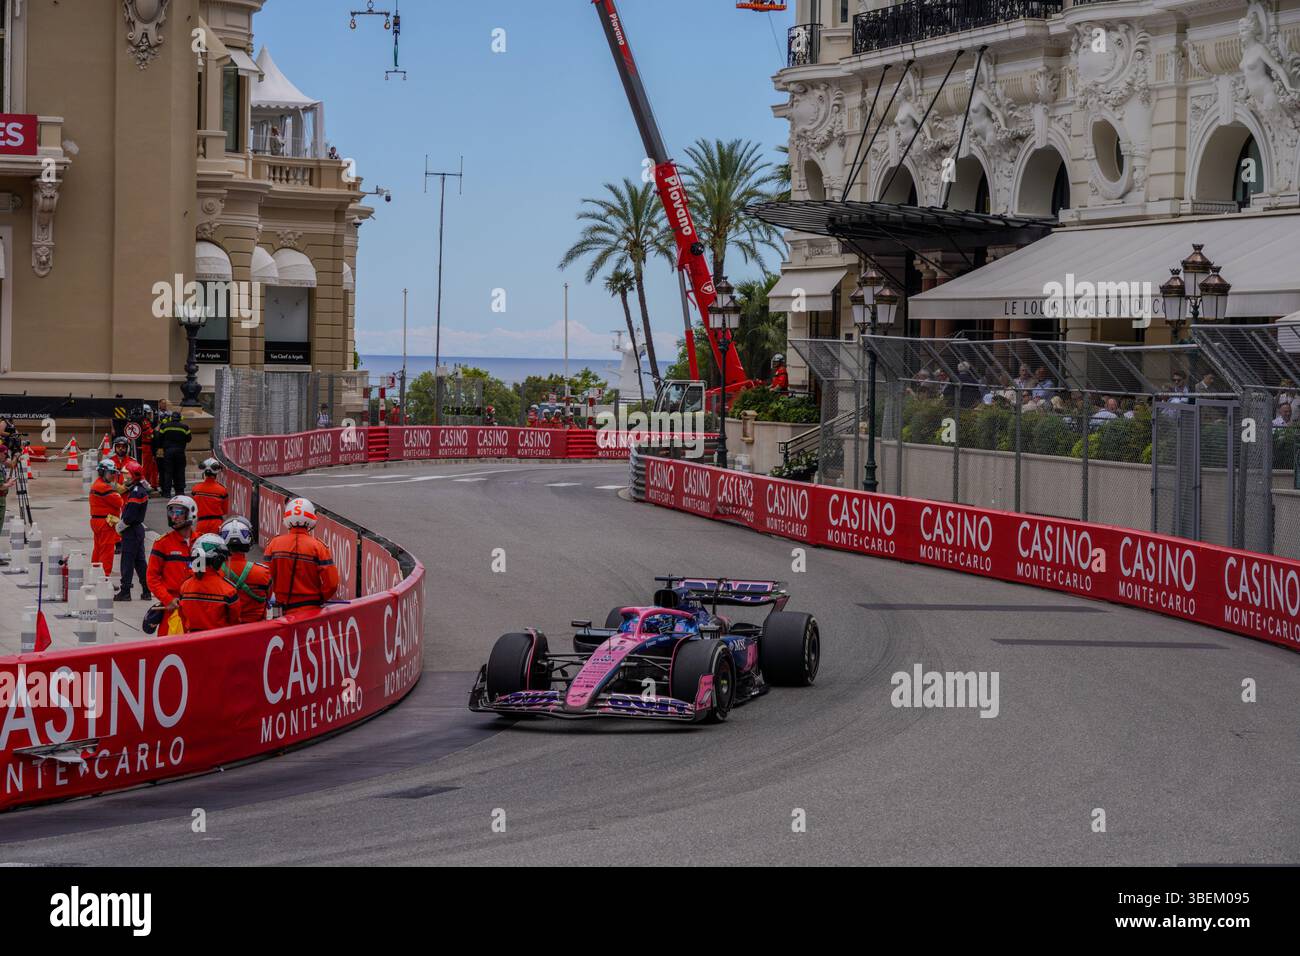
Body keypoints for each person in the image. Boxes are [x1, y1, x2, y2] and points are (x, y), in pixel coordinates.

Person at [264, 497, 340, 616]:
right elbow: (332, 584)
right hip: (310, 610)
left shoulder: (274, 544)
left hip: (281, 610)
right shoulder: (318, 547)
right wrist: (321, 598)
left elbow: (265, 579)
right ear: (311, 519)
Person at [148, 495, 197, 635]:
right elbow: (152, 578)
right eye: (172, 512)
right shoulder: (162, 544)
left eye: (179, 512)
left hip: (196, 607)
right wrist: (167, 599)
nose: (174, 517)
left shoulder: (202, 541)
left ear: (191, 512)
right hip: (172, 608)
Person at [177, 534, 240, 633]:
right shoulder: (229, 590)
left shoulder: (185, 586)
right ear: (217, 560)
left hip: (190, 641)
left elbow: (182, 616)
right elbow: (234, 623)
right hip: (219, 642)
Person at [219, 517, 272, 624]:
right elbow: (268, 597)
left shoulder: (216, 572)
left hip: (225, 632)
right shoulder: (263, 573)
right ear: (249, 540)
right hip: (257, 632)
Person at [115, 463, 151, 601]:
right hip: (137, 530)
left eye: (127, 474)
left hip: (131, 531)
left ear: (134, 475)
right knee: (140, 561)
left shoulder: (136, 492)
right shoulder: (139, 489)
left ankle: (125, 591)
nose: (124, 477)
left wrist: (119, 526)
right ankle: (146, 590)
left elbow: (130, 516)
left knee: (127, 561)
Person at [88, 459, 124, 577]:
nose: (113, 476)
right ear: (103, 472)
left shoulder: (97, 484)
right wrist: (118, 492)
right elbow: (119, 502)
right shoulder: (104, 487)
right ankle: (104, 578)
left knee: (98, 549)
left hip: (98, 521)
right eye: (110, 473)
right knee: (107, 551)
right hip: (105, 523)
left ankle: (95, 575)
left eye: (113, 473)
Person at [190, 457, 228, 536]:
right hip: (217, 524)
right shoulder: (222, 490)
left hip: (201, 524)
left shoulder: (195, 489)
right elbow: (225, 511)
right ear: (216, 472)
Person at [157, 411, 191, 496]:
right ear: (180, 418)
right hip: (180, 452)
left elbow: (159, 438)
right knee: (180, 471)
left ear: (171, 418)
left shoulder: (165, 426)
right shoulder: (185, 427)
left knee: (168, 472)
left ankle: (167, 492)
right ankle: (180, 491)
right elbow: (189, 439)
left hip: (168, 452)